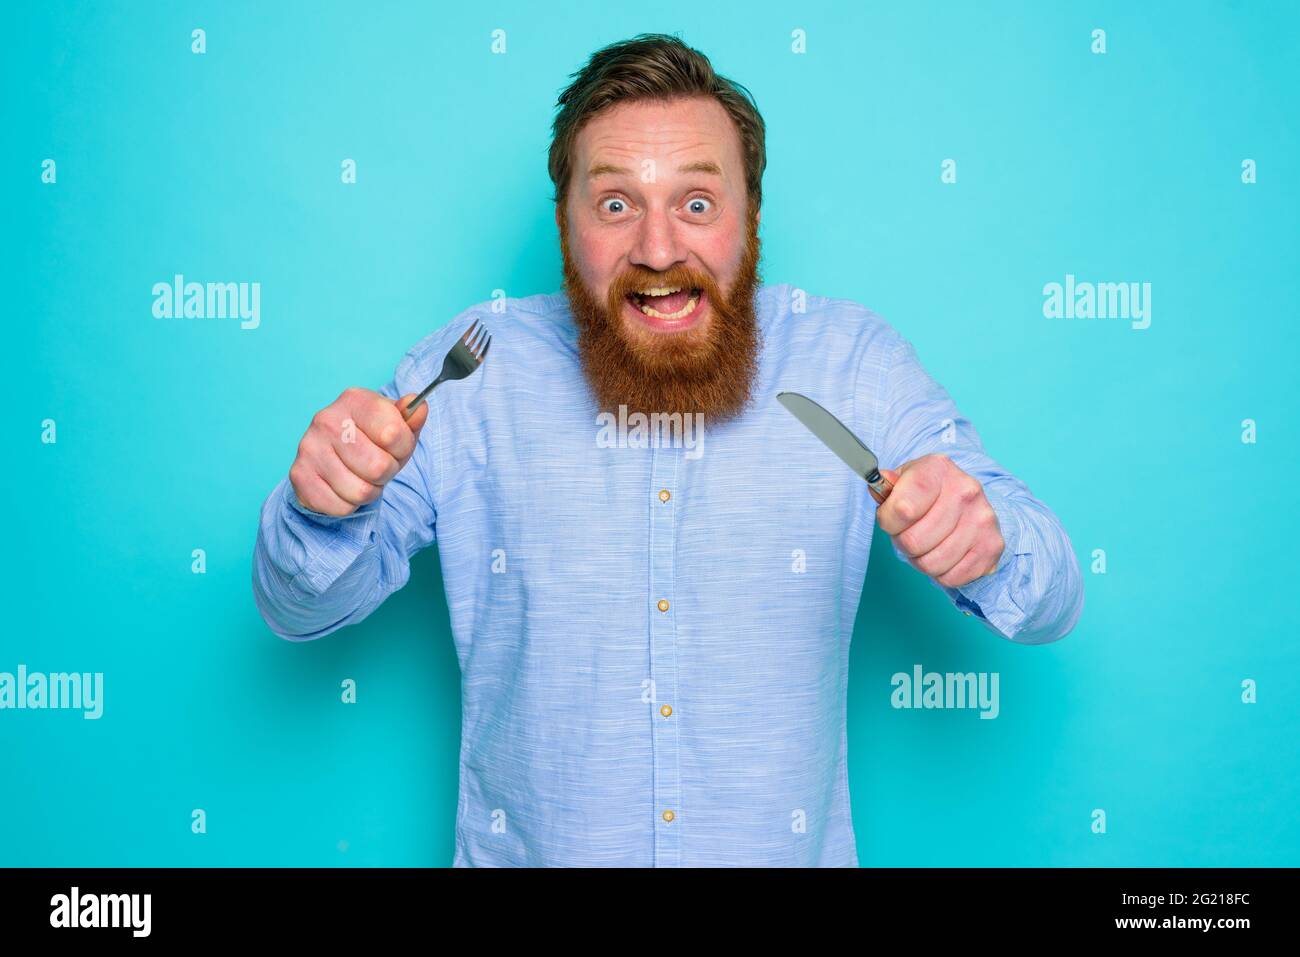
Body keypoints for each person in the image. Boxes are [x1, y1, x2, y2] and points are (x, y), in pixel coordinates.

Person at [252, 33, 1083, 867]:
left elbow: (1052, 598)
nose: (656, 248)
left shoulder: (852, 363)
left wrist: (988, 542)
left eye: (696, 203)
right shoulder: (467, 376)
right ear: (564, 221)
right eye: (615, 204)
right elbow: (297, 609)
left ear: (751, 215)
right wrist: (324, 506)